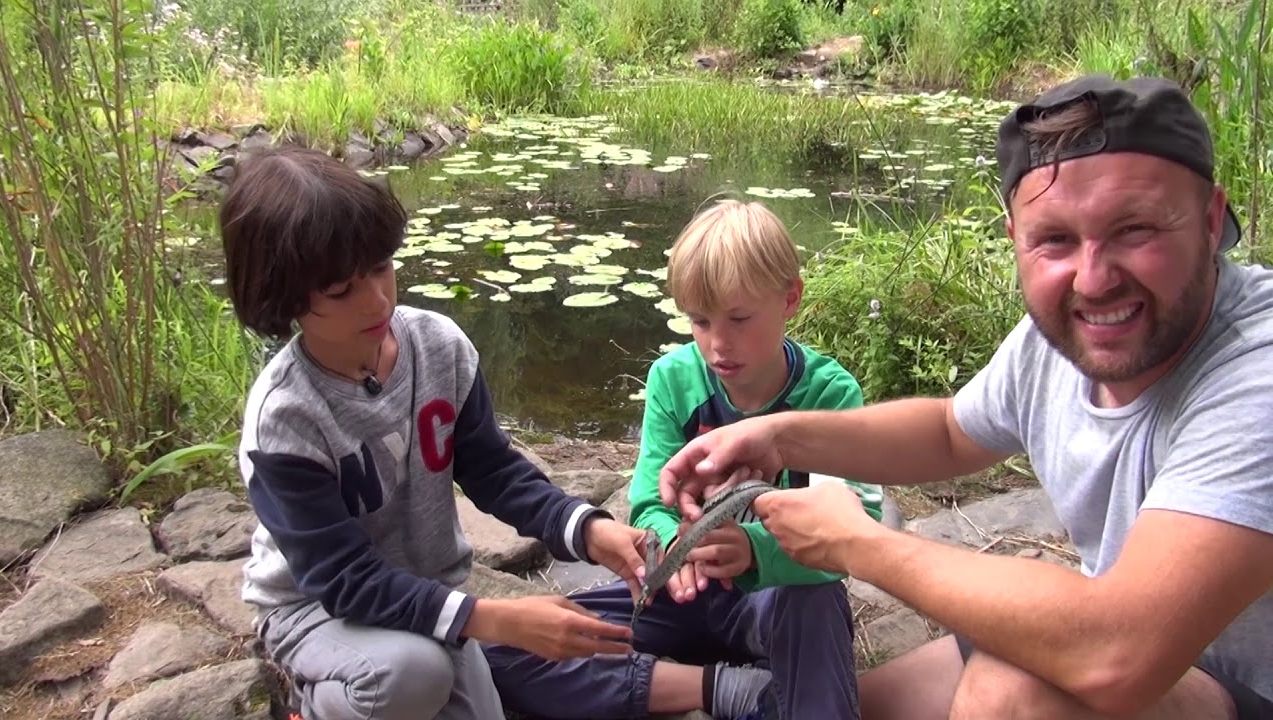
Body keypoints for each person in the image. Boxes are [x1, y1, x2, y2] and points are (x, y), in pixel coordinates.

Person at [658, 74, 1273, 720]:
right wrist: (779, 437)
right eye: (1056, 240)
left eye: (1135, 229)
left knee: (1008, 694)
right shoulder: (1058, 337)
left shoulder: (1255, 371)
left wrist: (856, 544)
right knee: (837, 707)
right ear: (1017, 239)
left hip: (1205, 677)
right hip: (1130, 656)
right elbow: (951, 432)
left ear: (1209, 220)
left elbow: (1118, 651)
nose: (1093, 278)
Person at [222, 144, 654, 720]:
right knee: (410, 675)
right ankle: (312, 699)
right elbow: (344, 579)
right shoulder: (285, 419)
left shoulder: (440, 347)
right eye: (341, 290)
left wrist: (588, 530)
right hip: (318, 611)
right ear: (284, 298)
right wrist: (494, 618)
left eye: (379, 267)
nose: (376, 299)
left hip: (429, 592)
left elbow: (494, 471)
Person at [483, 199, 883, 719]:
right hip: (680, 594)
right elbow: (650, 500)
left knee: (818, 603)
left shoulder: (829, 394)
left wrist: (755, 551)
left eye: (739, 318)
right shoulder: (673, 379)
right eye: (699, 321)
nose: (719, 344)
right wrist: (668, 543)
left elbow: (861, 523)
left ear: (790, 298)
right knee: (504, 648)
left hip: (775, 598)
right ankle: (728, 692)